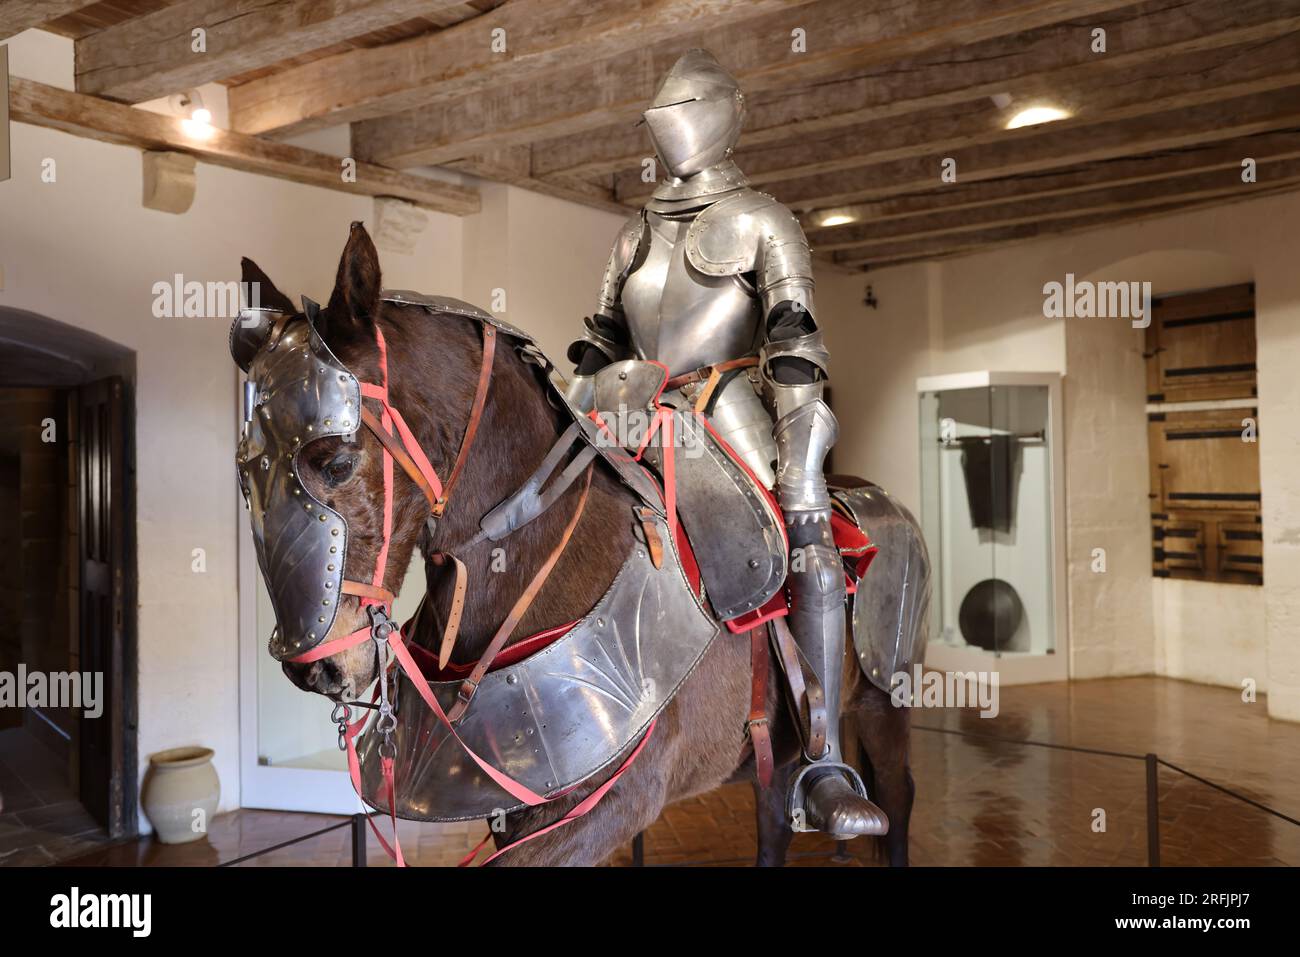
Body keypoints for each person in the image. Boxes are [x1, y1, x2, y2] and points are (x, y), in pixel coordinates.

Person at [564, 49, 886, 838]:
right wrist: (573, 412)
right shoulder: (632, 233)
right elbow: (600, 347)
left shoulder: (765, 219)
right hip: (630, 412)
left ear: (722, 112)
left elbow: (795, 345)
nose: (669, 123)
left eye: (685, 107)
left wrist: (803, 451)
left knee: (805, 544)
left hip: (729, 407)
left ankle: (822, 759)